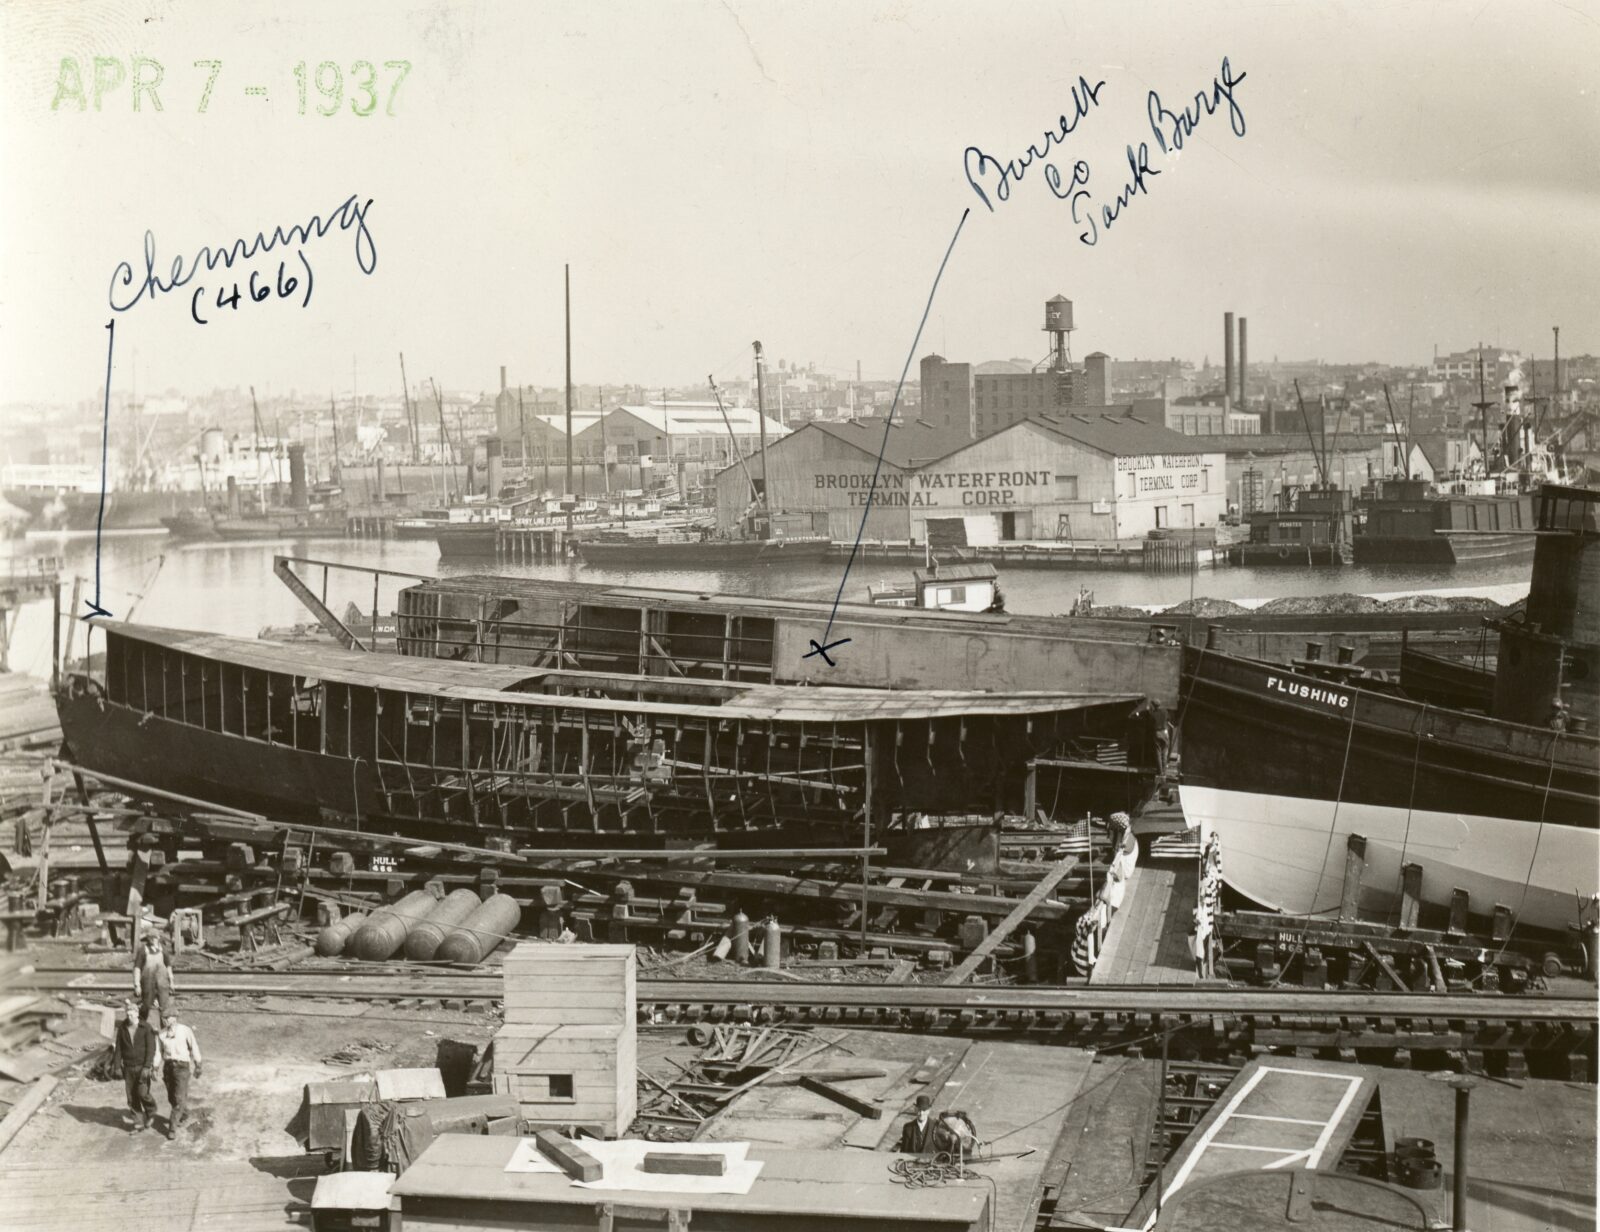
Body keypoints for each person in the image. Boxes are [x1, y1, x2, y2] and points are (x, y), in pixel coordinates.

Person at [112, 997, 161, 1132]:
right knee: (131, 1096)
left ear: (137, 1013)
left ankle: (151, 1111)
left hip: (142, 1067)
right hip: (128, 1067)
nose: (129, 1016)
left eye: (132, 1013)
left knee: (143, 1093)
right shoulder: (122, 1028)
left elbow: (151, 1049)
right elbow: (119, 1049)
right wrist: (117, 1066)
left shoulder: (146, 1027)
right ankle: (138, 1122)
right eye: (127, 1013)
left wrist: (147, 1067)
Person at [157, 1008, 203, 1139]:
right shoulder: (161, 1034)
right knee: (172, 1097)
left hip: (182, 1067)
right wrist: (154, 1068)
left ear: (174, 1018)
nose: (164, 1020)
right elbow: (158, 1053)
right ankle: (184, 1113)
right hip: (168, 1068)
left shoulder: (185, 1031)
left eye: (167, 1018)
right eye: (163, 1018)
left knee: (178, 1098)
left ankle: (172, 1127)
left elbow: (194, 1047)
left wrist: (198, 1064)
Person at [133, 929, 174, 1027]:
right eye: (152, 937)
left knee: (164, 1006)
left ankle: (165, 1027)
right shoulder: (143, 950)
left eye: (156, 937)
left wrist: (172, 982)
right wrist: (137, 985)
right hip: (147, 983)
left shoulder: (163, 949)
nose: (154, 939)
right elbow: (137, 968)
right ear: (148, 938)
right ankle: (140, 1025)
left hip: (162, 982)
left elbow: (168, 966)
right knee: (146, 1005)